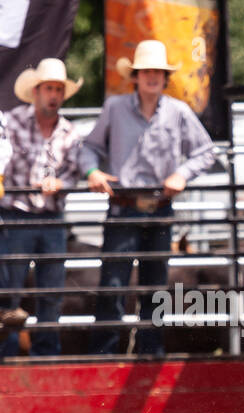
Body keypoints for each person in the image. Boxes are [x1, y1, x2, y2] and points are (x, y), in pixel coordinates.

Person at [81, 39, 216, 356]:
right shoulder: (115, 108)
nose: (153, 77)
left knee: (155, 287)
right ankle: (106, 356)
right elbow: (89, 148)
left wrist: (182, 174)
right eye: (147, 71)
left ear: (164, 77)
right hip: (123, 206)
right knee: (113, 284)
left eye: (158, 71)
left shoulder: (178, 111)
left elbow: (206, 151)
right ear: (137, 76)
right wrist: (92, 173)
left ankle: (149, 353)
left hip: (159, 207)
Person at [0, 58, 83, 356]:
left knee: (51, 291)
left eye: (58, 90)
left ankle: (46, 354)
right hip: (16, 213)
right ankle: (6, 354)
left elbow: (75, 172)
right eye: (49, 88)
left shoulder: (69, 132)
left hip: (51, 217)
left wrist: (61, 184)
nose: (53, 95)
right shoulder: (11, 123)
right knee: (9, 289)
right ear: (36, 91)